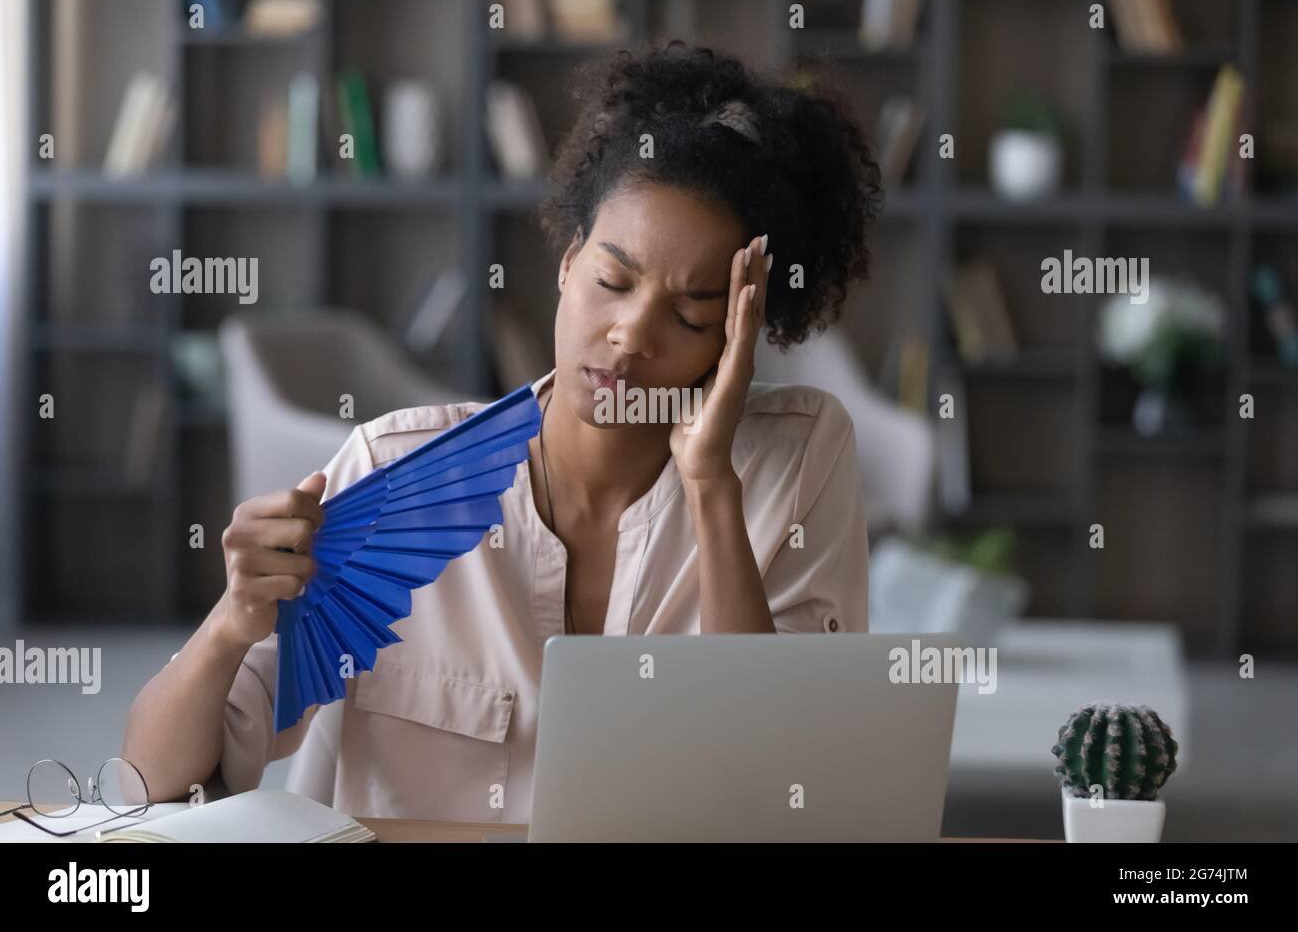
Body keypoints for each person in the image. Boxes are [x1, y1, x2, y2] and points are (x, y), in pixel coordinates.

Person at [122, 41, 884, 823]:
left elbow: (779, 790)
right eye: (611, 282)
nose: (630, 335)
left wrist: (710, 484)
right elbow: (157, 784)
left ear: (736, 333)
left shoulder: (795, 459)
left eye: (690, 313)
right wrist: (229, 624)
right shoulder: (395, 474)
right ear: (565, 262)